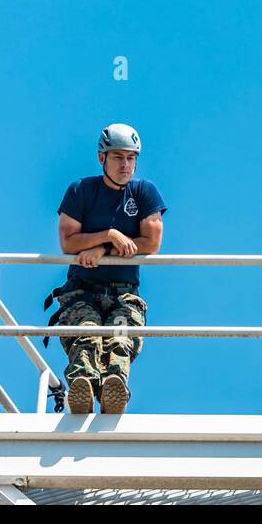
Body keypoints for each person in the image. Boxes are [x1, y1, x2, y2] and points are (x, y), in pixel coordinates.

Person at [45, 123, 167, 414]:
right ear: (102, 158)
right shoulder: (80, 191)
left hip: (124, 292)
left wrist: (101, 249)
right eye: (118, 157)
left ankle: (115, 385)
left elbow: (151, 243)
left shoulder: (144, 192)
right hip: (81, 290)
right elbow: (68, 242)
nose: (126, 165)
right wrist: (110, 234)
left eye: (131, 158)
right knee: (85, 333)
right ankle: (82, 386)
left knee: (121, 336)